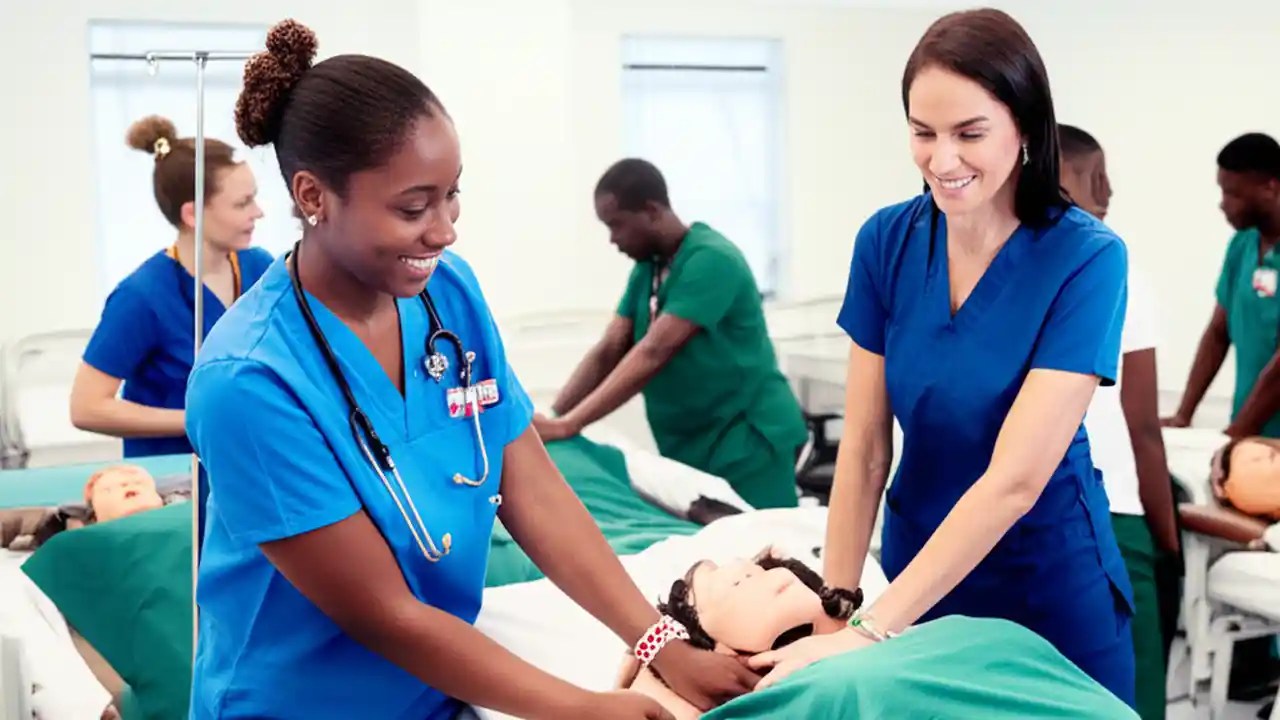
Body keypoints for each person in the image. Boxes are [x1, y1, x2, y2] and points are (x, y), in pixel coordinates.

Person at [184, 19, 756, 720]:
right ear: (312, 197)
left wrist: (657, 638)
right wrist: (580, 708)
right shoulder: (247, 381)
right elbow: (384, 614)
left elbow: (532, 489)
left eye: (452, 194)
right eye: (413, 207)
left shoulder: (447, 294)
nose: (445, 228)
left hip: (436, 693)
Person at [753, 8, 1138, 706]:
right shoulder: (886, 243)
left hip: (1045, 583)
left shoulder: (1087, 259)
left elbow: (1015, 480)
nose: (942, 159)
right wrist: (838, 606)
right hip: (918, 583)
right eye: (923, 132)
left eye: (969, 133)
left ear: (1026, 127)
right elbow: (865, 447)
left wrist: (869, 630)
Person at [533, 159, 807, 510]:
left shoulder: (712, 259)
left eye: (617, 224)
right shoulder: (649, 270)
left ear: (651, 210)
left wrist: (570, 425)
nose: (613, 239)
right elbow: (610, 348)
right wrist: (554, 415)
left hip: (747, 442)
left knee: (767, 537)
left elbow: (654, 350)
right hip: (694, 445)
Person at [617, 550, 1138, 719]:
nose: (748, 569)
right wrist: (654, 656)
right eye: (726, 585)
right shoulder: (790, 699)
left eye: (754, 566)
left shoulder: (938, 631)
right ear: (719, 654)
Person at [1059, 123, 1178, 720]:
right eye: (1094, 177)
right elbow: (1142, 426)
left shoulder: (996, 270)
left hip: (1023, 521)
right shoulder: (1114, 265)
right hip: (1110, 518)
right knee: (1129, 696)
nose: (1108, 192)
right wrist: (1168, 543)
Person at [70, 114, 272, 458]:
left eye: (254, 198)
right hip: (175, 476)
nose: (259, 212)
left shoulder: (260, 270)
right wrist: (196, 419)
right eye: (242, 203)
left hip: (245, 465)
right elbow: (87, 407)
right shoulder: (142, 296)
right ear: (192, 215)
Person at [1163, 133, 1280, 439]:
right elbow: (1218, 333)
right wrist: (1184, 414)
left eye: (1233, 194)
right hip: (1249, 436)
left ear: (1271, 187)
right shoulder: (1242, 245)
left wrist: (1242, 429)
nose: (1223, 204)